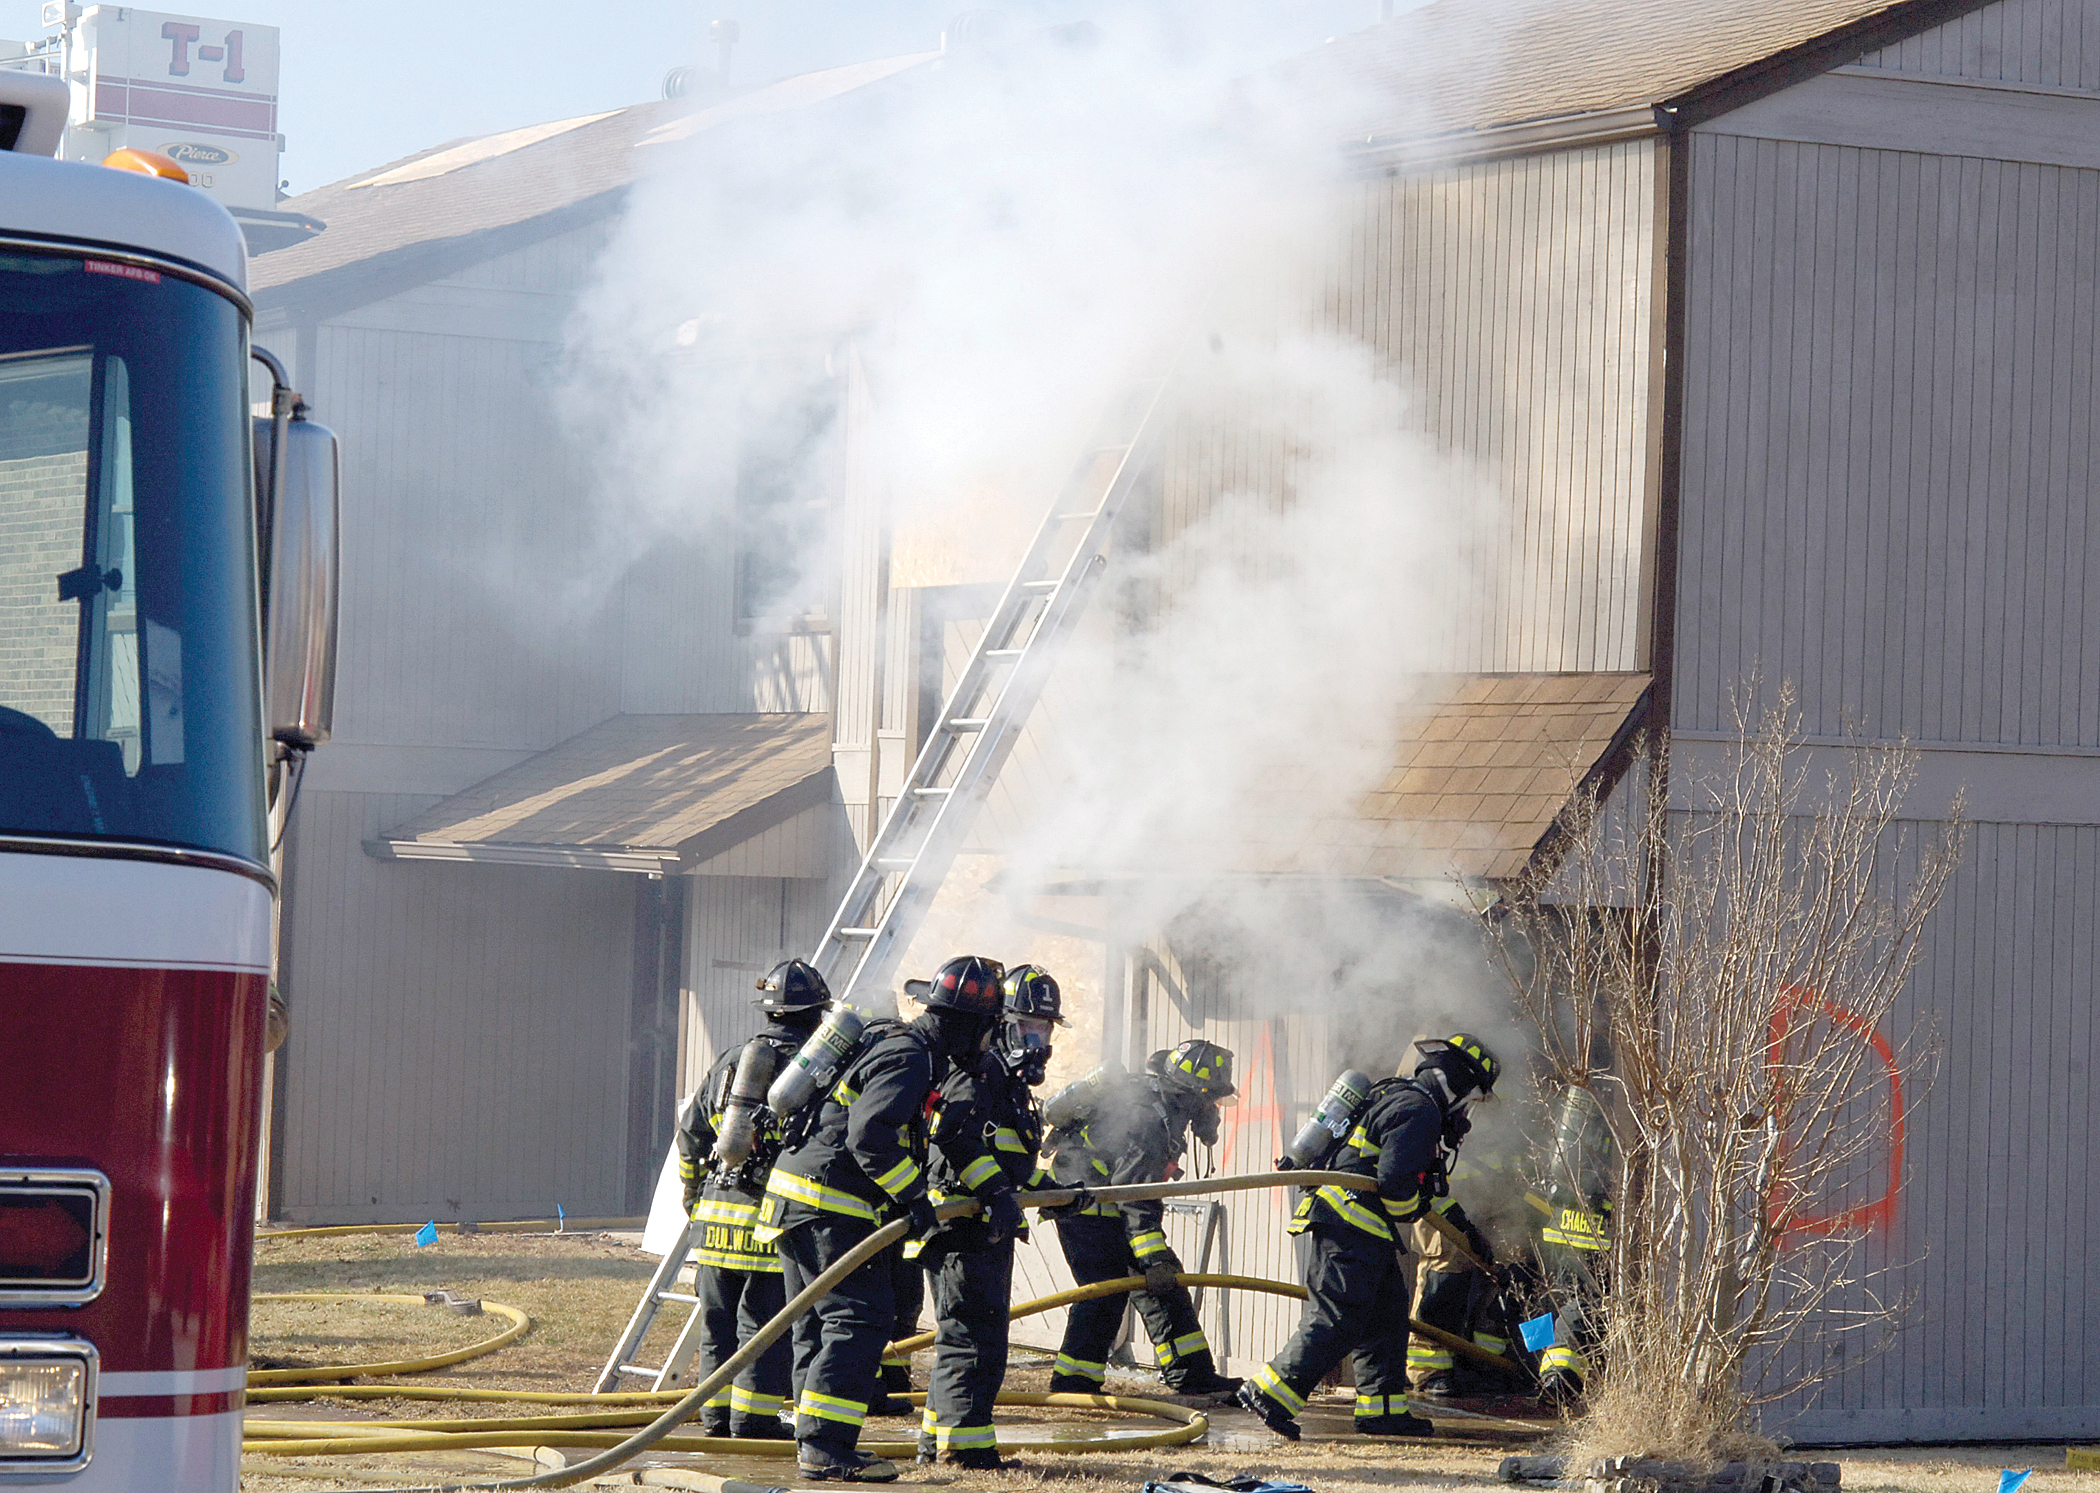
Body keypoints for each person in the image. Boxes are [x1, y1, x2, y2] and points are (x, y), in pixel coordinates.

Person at [753, 955, 1004, 1483]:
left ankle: (814, 1441)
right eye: (988, 1029)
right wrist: (915, 1197)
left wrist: (994, 1190)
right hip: (830, 1206)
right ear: (968, 1024)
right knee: (857, 1320)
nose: (988, 1043)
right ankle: (826, 1446)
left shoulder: (900, 1047)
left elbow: (939, 1135)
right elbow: (868, 1138)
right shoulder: (910, 1057)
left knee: (817, 1326)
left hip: (797, 1198)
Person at [1238, 1032, 1500, 1440]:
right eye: (1473, 1098)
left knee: (1386, 1316)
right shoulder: (1420, 1111)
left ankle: (1382, 1410)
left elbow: (1423, 1192)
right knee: (1337, 1314)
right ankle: (1271, 1391)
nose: (1468, 1110)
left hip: (1359, 1227)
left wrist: (1465, 1230)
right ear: (1458, 1084)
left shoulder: (1398, 1096)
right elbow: (1397, 1187)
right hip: (1351, 1225)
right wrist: (1414, 1208)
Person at [911, 962, 1064, 1468]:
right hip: (962, 1225)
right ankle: (964, 1452)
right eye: (1027, 1028)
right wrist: (997, 1194)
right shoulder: (980, 1074)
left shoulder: (1005, 1081)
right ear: (1000, 1024)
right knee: (972, 1339)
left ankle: (940, 1443)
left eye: (1043, 1030)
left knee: (971, 1336)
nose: (1036, 1041)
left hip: (982, 1224)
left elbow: (1006, 1161)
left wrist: (1059, 1190)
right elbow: (955, 1142)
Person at [671, 957, 828, 1439]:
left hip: (713, 1219)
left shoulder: (729, 1063)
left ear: (768, 1011)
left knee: (718, 1327)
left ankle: (716, 1416)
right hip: (768, 1220)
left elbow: (691, 1135)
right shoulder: (815, 1071)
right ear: (818, 1014)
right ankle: (754, 1422)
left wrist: (694, 1196)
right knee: (763, 1329)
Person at [1042, 1039, 1242, 1400]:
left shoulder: (1162, 1106)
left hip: (1106, 1203)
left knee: (1162, 1284)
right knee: (1105, 1290)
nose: (1215, 1110)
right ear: (1195, 1095)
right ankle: (1073, 1384)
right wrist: (1152, 1255)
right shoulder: (1151, 1120)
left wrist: (1157, 1261)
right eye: (1212, 1099)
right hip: (1086, 1206)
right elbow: (1134, 1194)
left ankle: (1192, 1374)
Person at [1530, 1084, 1614, 1406]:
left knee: (1548, 1307)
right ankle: (1558, 1381)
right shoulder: (1608, 1120)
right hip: (1591, 1236)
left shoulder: (1574, 1119)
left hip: (1558, 1230)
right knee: (1582, 1308)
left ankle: (1538, 1372)